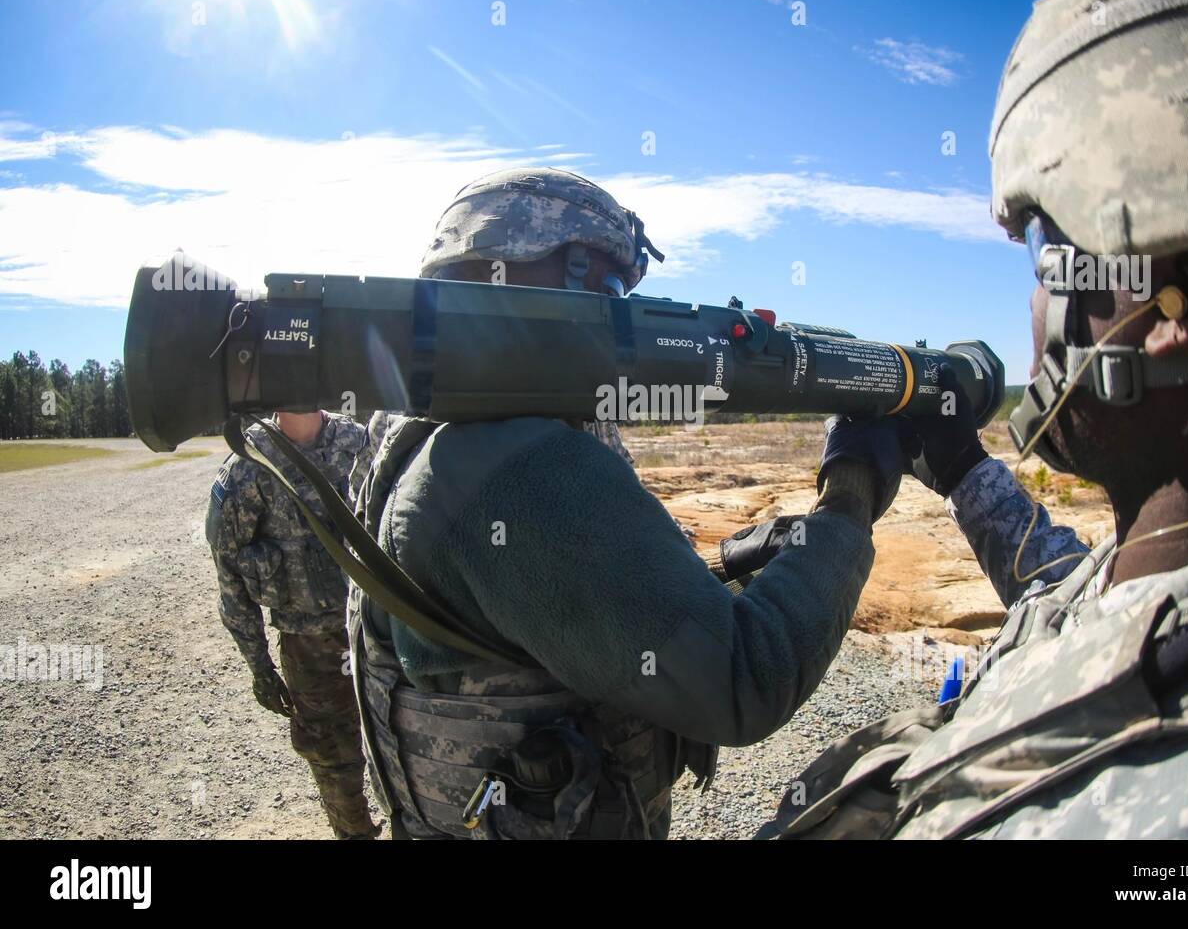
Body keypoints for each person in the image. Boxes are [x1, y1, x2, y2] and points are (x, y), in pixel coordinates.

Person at [759, 0, 1188, 840]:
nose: (1035, 308)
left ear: (1170, 303)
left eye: (1045, 250)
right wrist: (968, 472)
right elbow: (1084, 602)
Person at [345, 167, 906, 839]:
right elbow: (743, 678)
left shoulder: (421, 431)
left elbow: (553, 605)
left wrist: (720, 571)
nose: (621, 321)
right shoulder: (514, 466)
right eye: (609, 291)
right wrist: (852, 489)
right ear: (547, 281)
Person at [206, 409, 380, 839]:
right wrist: (259, 666)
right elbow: (230, 575)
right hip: (310, 646)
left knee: (400, 736)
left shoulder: (358, 444)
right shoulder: (248, 465)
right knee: (333, 754)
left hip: (380, 629)